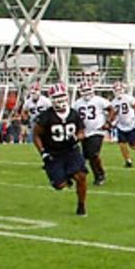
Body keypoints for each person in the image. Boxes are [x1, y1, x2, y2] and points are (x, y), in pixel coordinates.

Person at [34, 82, 88, 216]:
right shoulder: (46, 116)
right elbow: (36, 134)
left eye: (62, 96)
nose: (60, 100)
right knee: (59, 185)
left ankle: (81, 206)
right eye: (56, 97)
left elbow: (81, 130)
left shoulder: (74, 114)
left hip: (71, 151)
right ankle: (65, 178)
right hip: (54, 153)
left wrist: (77, 137)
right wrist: (42, 152)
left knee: (81, 177)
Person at [74, 79, 110, 185]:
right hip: (85, 132)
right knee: (87, 156)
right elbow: (75, 117)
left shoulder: (99, 100)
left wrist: (108, 122)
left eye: (88, 90)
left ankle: (100, 175)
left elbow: (111, 109)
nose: (86, 93)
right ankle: (97, 174)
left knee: (93, 154)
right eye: (84, 90)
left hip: (97, 130)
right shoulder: (77, 103)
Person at [107, 81, 135, 168]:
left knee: (133, 145)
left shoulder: (129, 98)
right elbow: (113, 113)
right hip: (121, 125)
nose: (118, 92)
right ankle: (128, 161)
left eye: (119, 90)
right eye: (116, 90)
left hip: (131, 123)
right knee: (122, 144)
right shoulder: (114, 102)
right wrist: (110, 121)